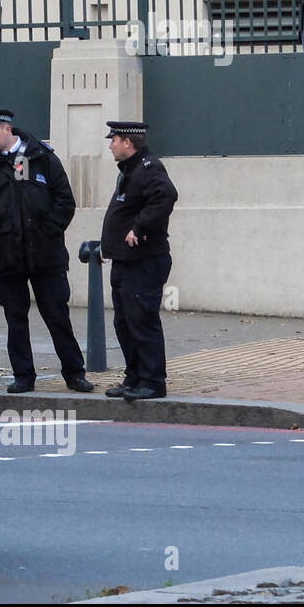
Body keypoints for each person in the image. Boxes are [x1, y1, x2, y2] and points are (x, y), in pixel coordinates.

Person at [0, 108, 92, 394]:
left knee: (57, 316)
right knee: (16, 319)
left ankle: (75, 374)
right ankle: (24, 376)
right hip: (7, 253)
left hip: (45, 255)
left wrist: (48, 232)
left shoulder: (41, 157)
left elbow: (65, 200)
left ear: (6, 129)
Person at [100, 121, 178, 401]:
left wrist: (140, 227)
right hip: (125, 261)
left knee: (142, 321)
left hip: (144, 261)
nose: (110, 145)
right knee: (124, 322)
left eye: (114, 140)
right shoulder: (130, 170)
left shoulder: (148, 168)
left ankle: (153, 381)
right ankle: (134, 377)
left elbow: (166, 196)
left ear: (128, 143)